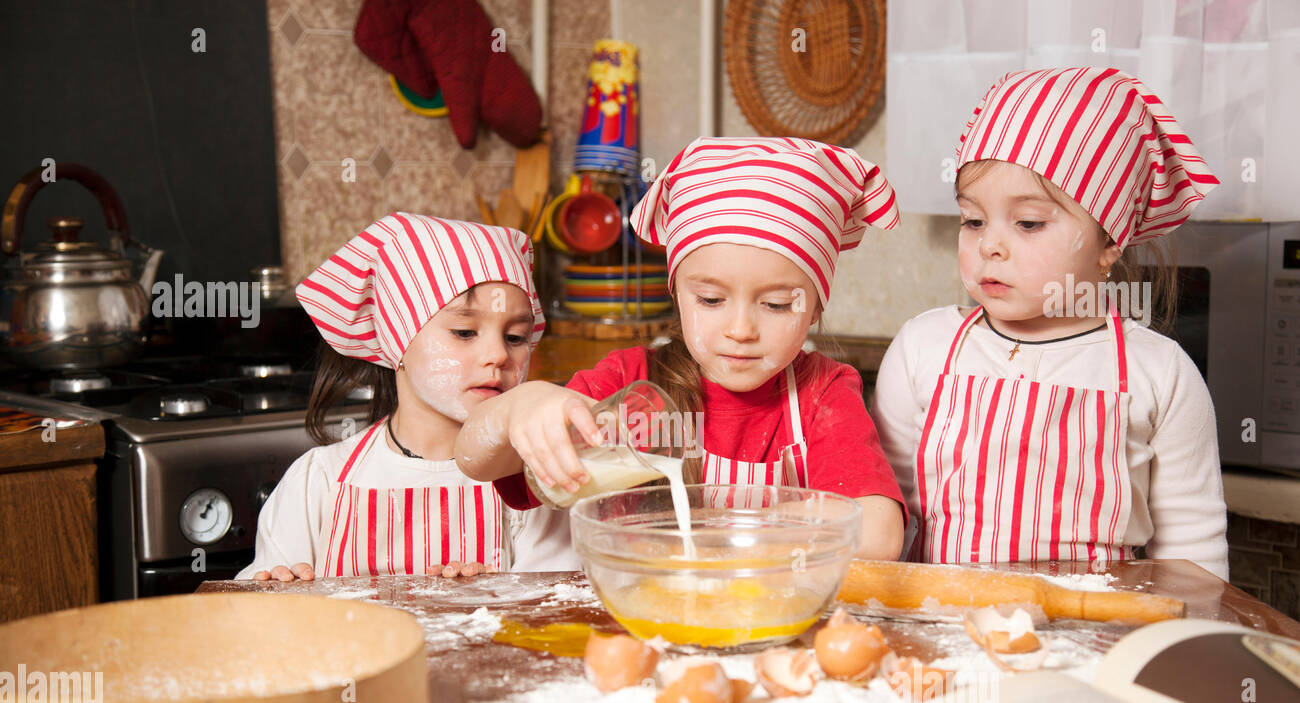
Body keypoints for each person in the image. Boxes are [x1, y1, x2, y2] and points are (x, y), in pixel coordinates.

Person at [456, 137, 907, 561]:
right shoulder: (630, 380)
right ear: (676, 294)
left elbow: (879, 535)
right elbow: (475, 460)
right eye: (711, 300)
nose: (740, 329)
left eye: (774, 304)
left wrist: (725, 532)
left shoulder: (821, 394)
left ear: (813, 309)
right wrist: (519, 408)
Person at [871, 67, 1229, 578]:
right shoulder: (923, 347)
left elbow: (1193, 554)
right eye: (973, 220)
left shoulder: (1161, 373)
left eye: (1029, 223)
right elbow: (888, 518)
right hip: (940, 632)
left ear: (1109, 243)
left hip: (1099, 640)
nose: (988, 244)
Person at [238, 213, 569, 580]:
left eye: (515, 337)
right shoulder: (317, 483)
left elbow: (550, 615)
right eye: (464, 331)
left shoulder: (533, 485)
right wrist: (283, 591)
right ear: (398, 338)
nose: (499, 355)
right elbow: (259, 617)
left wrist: (485, 596)